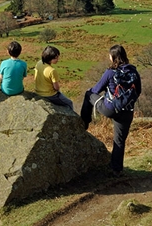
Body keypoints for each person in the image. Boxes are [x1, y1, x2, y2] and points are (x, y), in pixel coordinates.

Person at [80, 44, 142, 174]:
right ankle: (116, 170)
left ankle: (84, 122)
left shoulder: (110, 72)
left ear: (113, 57)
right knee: (119, 141)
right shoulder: (133, 72)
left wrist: (106, 97)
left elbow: (96, 89)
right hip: (127, 112)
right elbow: (138, 91)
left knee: (88, 94)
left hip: (110, 109)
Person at [33, 45, 73, 110]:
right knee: (69, 103)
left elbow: (35, 78)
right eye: (55, 58)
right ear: (49, 58)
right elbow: (56, 88)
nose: (58, 59)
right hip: (50, 95)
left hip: (38, 92)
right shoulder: (52, 71)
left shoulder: (39, 63)